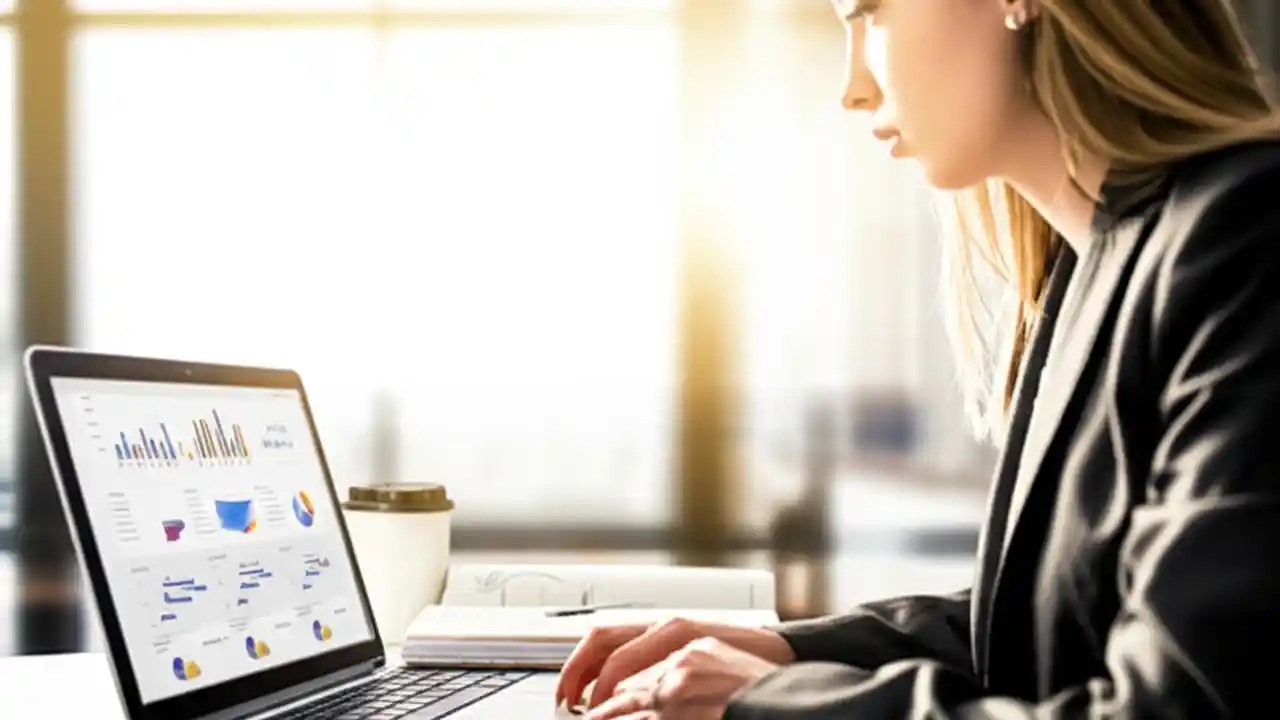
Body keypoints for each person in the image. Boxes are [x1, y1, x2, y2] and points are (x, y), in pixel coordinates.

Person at [554, 0, 1280, 717]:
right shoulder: (1095, 265)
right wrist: (782, 654)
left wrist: (776, 703)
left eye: (868, 13)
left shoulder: (1246, 235)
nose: (853, 87)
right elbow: (1046, 633)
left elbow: (1177, 704)